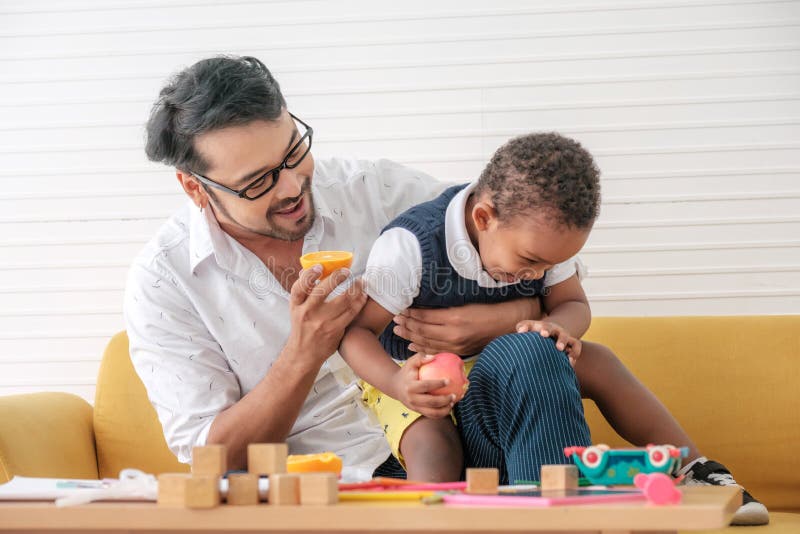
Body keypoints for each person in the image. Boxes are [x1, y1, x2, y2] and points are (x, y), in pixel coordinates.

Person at [125, 55, 590, 485]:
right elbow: (213, 461)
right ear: (195, 187)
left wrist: (509, 319)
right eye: (258, 182)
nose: (291, 186)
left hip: (471, 439)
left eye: (293, 152)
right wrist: (304, 353)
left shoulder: (379, 190)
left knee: (534, 356)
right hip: (328, 485)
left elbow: (528, 247)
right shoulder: (166, 282)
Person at [339, 132, 768, 525]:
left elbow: (573, 304)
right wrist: (399, 383)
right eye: (529, 263)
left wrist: (559, 327)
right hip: (423, 379)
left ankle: (696, 468)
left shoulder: (543, 237)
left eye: (549, 266)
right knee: (432, 447)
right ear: (484, 218)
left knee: (598, 360)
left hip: (510, 375)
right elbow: (355, 335)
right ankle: (432, 513)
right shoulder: (410, 247)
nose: (538, 274)